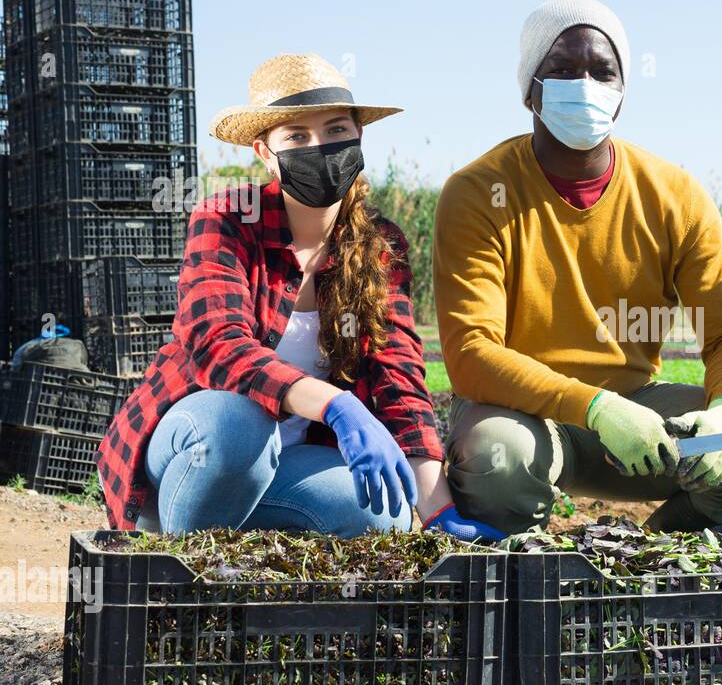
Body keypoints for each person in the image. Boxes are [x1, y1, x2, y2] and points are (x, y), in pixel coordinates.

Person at [433, 0, 722, 535]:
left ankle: (651, 557)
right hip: (525, 416)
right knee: (499, 456)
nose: (584, 84)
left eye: (602, 72)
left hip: (640, 415)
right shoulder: (478, 192)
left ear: (623, 91)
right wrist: (596, 408)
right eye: (561, 69)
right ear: (529, 90)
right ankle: (526, 579)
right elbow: (472, 353)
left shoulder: (673, 194)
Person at [97, 54, 498, 541]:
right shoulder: (227, 219)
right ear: (265, 152)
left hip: (285, 464)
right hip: (200, 446)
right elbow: (219, 346)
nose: (320, 147)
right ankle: (174, 546)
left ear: (358, 136)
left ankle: (236, 548)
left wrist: (437, 510)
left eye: (334, 130)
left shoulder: (379, 246)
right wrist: (336, 405)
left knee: (382, 511)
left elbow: (398, 377)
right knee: (242, 424)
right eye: (297, 137)